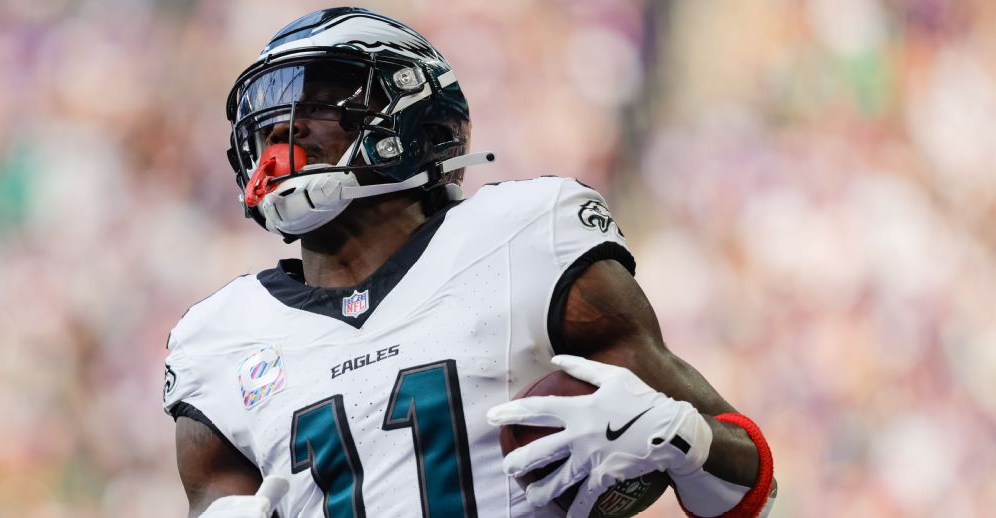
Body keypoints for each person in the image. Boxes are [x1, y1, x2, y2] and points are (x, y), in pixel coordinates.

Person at [163, 7, 776, 518]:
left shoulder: (523, 237)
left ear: (416, 121)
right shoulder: (218, 342)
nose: (283, 135)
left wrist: (681, 436)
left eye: (322, 104)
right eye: (271, 122)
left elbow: (753, 490)